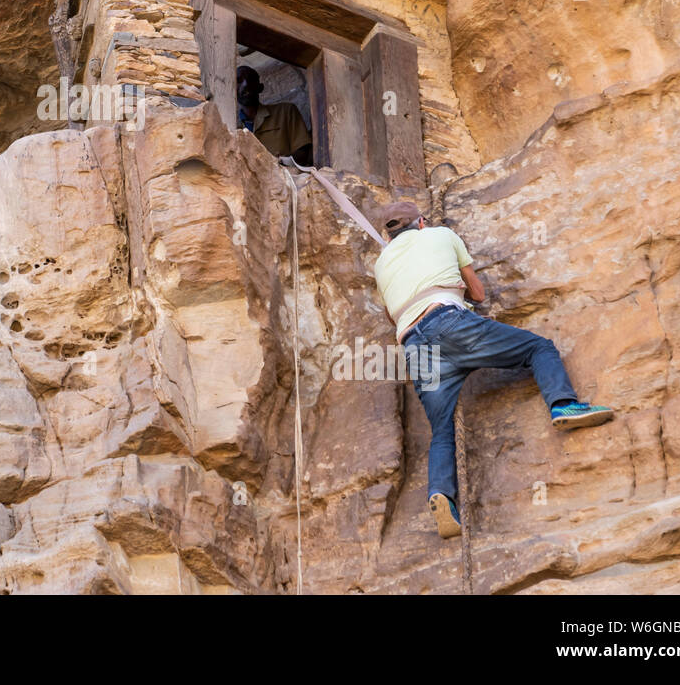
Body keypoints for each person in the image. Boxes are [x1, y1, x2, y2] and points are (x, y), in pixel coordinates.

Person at [372, 201, 614, 539]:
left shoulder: (381, 264)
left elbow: (391, 315)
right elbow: (479, 293)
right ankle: (563, 404)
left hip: (413, 344)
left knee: (441, 429)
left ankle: (441, 495)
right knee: (537, 347)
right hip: (448, 321)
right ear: (422, 223)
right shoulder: (442, 234)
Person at [236, 65, 313, 167]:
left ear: (260, 87)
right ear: (232, 89)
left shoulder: (286, 112)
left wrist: (277, 164)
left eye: (250, 79)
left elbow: (303, 153)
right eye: (239, 81)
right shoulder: (231, 128)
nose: (245, 84)